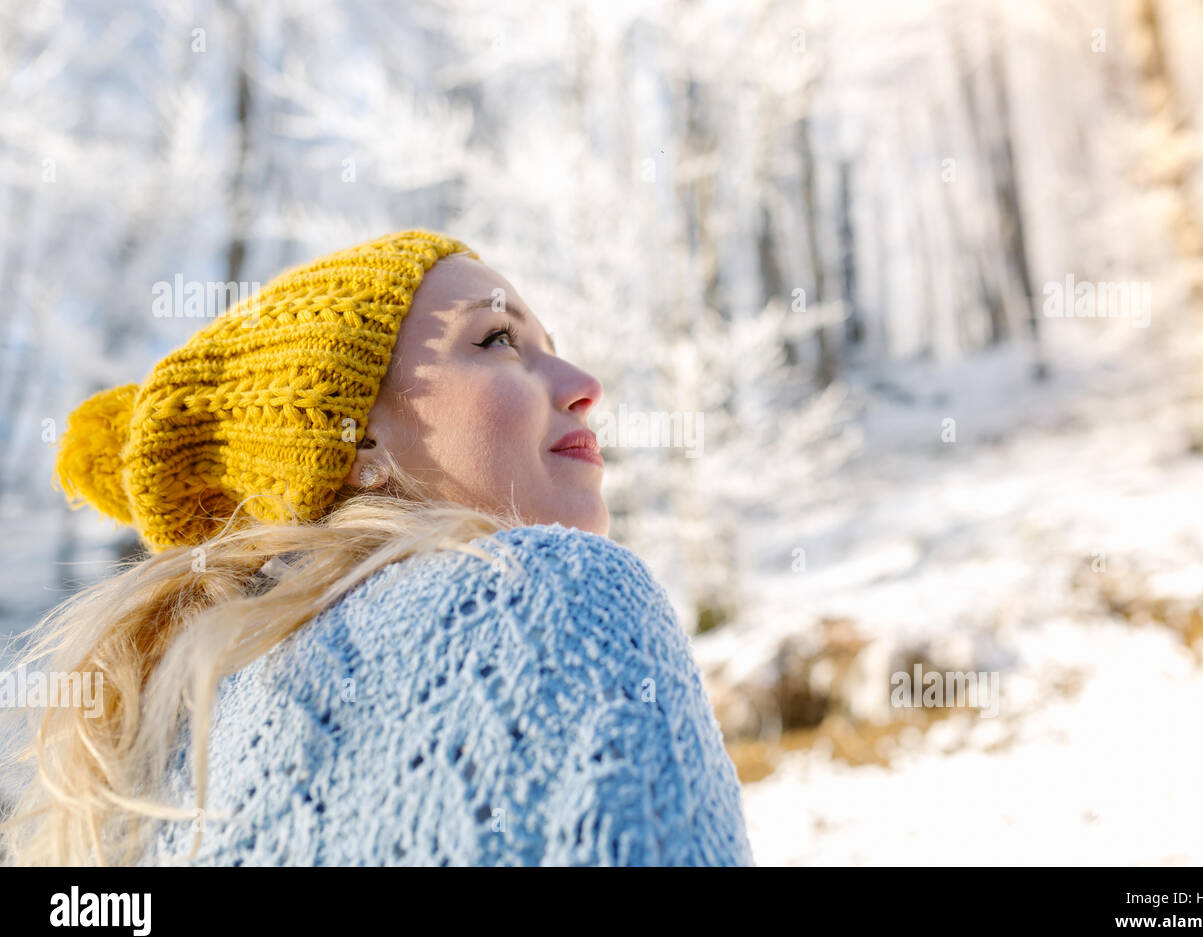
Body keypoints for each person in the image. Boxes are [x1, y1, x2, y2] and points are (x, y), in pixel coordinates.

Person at [0, 229, 755, 866]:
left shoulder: (167, 742)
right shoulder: (564, 591)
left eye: (551, 347)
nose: (584, 383)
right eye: (497, 340)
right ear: (353, 439)